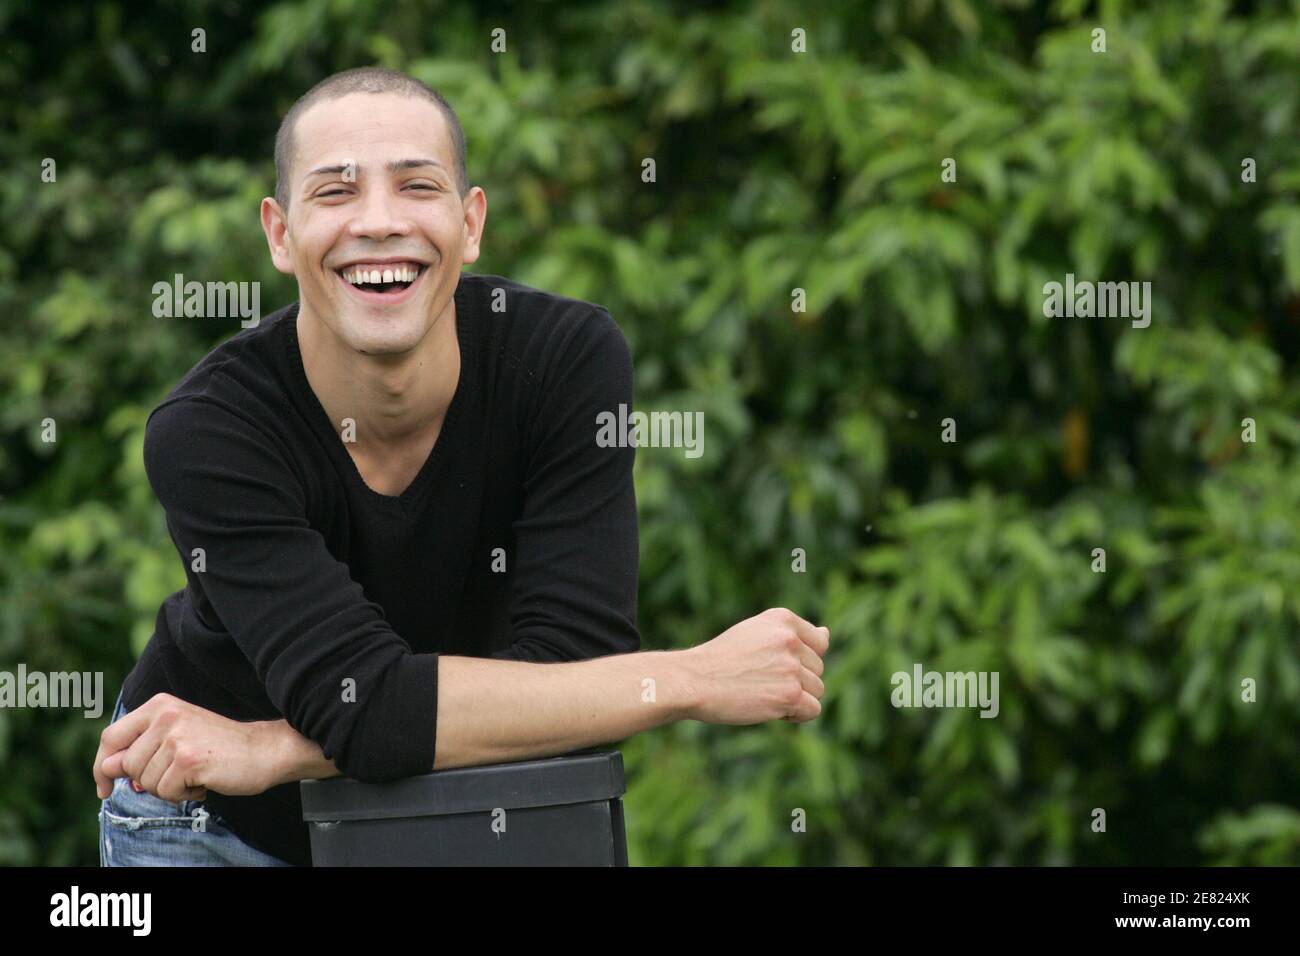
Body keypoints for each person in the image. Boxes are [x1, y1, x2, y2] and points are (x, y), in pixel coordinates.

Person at [93, 66, 829, 867]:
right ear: (279, 233)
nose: (378, 222)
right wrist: (688, 680)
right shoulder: (210, 428)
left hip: (464, 802)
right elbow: (370, 706)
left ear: (470, 222)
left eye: (417, 186)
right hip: (216, 822)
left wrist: (275, 747)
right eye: (335, 193)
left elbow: (577, 671)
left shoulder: (563, 361)